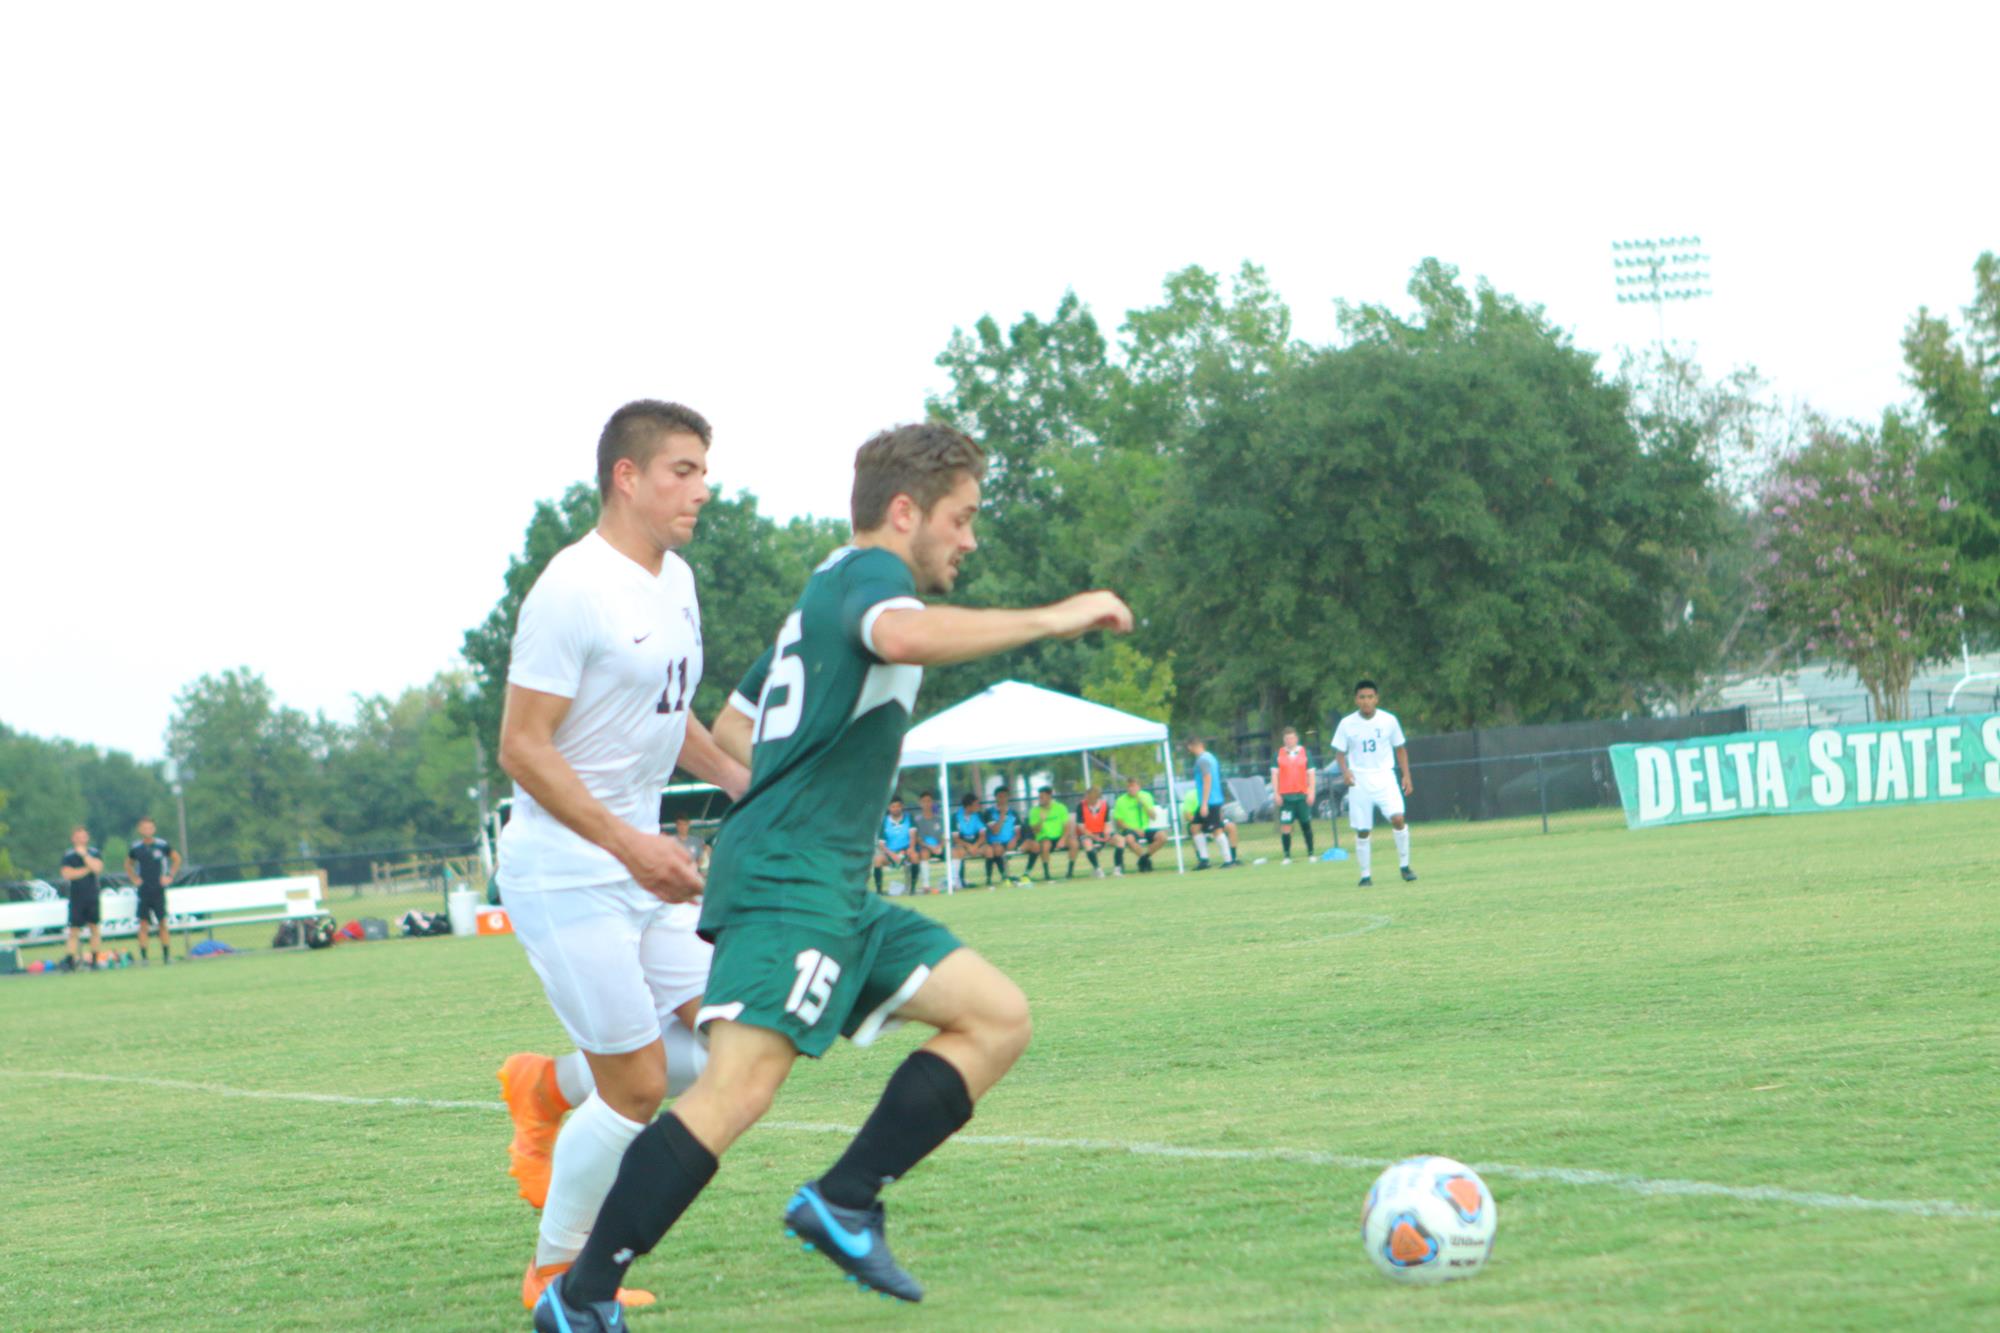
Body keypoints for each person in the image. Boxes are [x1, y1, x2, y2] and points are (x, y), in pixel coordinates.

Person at [536, 421, 1132, 1330]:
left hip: (825, 878)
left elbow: (735, 730)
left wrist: (809, 785)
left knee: (996, 1015)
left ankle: (845, 1198)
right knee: (734, 1090)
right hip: (789, 880)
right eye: (962, 518)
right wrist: (1055, 616)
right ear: (906, 512)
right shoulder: (869, 579)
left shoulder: (819, 591)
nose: (970, 539)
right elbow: (899, 637)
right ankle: (579, 1297)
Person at [491, 400, 752, 1314]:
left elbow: (666, 714)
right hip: (568, 871)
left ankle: (547, 1084)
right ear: (626, 477)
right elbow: (523, 746)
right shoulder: (570, 589)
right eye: (683, 470)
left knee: (735, 1034)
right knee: (638, 1083)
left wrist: (740, 781)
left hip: (642, 866)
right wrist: (633, 845)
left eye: (704, 470)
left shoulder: (675, 579)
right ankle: (555, 1273)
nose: (703, 489)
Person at [1332, 679, 1416, 887]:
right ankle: (1365, 875)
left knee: (1397, 817)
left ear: (1376, 698)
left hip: (1385, 776)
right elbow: (1340, 754)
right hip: (1360, 779)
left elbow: (1400, 749)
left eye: (1370, 697)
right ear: (1356, 700)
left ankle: (1405, 866)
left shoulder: (1389, 720)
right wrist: (1346, 772)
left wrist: (1406, 775)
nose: (1367, 701)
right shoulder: (1347, 723)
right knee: (1363, 828)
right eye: (1362, 697)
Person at [125, 816, 181, 963]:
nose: (147, 830)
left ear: (154, 829)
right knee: (143, 924)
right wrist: (135, 879)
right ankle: (144, 957)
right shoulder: (136, 848)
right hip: (144, 890)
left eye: (150, 827)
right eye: (144, 828)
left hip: (158, 889)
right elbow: (128, 864)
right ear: (140, 830)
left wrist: (169, 875)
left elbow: (176, 858)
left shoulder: (162, 845)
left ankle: (166, 955)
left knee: (162, 922)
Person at [1186, 737, 1239, 869]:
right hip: (1212, 800)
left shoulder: (1202, 760)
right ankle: (1204, 860)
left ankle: (1228, 860)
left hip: (1210, 801)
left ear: (1191, 746)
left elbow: (1207, 780)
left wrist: (1204, 803)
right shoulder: (1211, 757)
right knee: (1195, 827)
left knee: (1216, 830)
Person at [58, 826, 105, 971]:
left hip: (92, 895)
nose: (81, 839)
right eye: (78, 837)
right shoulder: (68, 855)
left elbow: (98, 868)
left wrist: (85, 856)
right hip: (76, 896)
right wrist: (86, 869)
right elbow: (67, 874)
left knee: (94, 928)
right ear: (73, 838)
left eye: (83, 836)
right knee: (74, 930)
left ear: (87, 838)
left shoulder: (94, 852)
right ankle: (71, 960)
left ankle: (95, 959)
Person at [1270, 726, 1318, 864]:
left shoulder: (1304, 752)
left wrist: (1311, 791)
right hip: (1286, 797)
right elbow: (1274, 775)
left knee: (1306, 824)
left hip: (1302, 795)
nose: (1289, 741)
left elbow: (1311, 774)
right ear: (1284, 740)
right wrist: (1276, 793)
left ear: (1296, 738)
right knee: (1286, 826)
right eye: (1286, 738)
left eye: (1291, 738)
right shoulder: (1278, 755)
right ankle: (1287, 856)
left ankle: (1311, 853)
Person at [1111, 776, 1165, 873]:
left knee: (1162, 837)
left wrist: (1143, 804)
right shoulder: (1121, 800)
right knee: (1129, 839)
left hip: (1145, 828)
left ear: (1139, 787)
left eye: (1133, 786)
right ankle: (1146, 861)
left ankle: (1144, 859)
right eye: (1129, 787)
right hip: (1130, 829)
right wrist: (1135, 830)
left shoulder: (1146, 796)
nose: (1131, 789)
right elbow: (1119, 822)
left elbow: (1153, 817)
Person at [1021, 786, 1070, 881]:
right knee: (1046, 844)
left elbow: (1066, 826)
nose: (1040, 799)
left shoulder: (1060, 807)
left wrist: (1063, 839)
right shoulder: (1035, 810)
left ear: (1049, 796)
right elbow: (1035, 831)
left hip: (1059, 837)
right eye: (1039, 797)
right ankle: (1047, 874)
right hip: (1044, 838)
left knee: (1074, 843)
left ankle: (1070, 873)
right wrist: (1041, 820)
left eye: (1042, 797)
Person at [982, 785, 1026, 887]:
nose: (1002, 799)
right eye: (1000, 796)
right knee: (997, 849)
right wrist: (1002, 816)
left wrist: (1014, 840)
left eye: (1005, 796)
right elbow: (995, 831)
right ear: (995, 798)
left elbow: (1017, 831)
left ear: (1008, 797)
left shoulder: (1013, 812)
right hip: (994, 842)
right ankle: (997, 877)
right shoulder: (989, 812)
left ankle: (1006, 876)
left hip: (1010, 842)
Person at [874, 796, 917, 895]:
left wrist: (911, 848)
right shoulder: (884, 821)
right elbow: (881, 844)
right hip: (890, 853)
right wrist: (892, 854)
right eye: (893, 806)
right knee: (877, 859)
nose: (895, 809)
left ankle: (912, 889)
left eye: (898, 806)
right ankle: (879, 891)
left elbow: (913, 835)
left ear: (902, 807)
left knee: (915, 856)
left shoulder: (909, 818)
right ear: (889, 808)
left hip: (905, 851)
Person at [1067, 784, 1111, 877]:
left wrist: (1107, 833)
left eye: (1089, 797)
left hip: (1100, 833)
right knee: (1087, 843)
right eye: (1086, 796)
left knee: (1119, 840)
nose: (1086, 799)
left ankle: (1118, 868)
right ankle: (1097, 869)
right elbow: (1082, 828)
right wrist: (1095, 837)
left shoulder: (1105, 805)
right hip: (1085, 834)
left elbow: (1107, 823)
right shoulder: (1080, 806)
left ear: (1096, 798)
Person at [950, 792, 988, 889]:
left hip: (976, 845)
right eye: (976, 804)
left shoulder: (978, 815)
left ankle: (989, 880)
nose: (978, 806)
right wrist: (968, 846)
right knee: (958, 851)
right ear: (969, 806)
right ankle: (956, 882)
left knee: (989, 850)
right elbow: (956, 838)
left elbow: (983, 835)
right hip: (962, 845)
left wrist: (975, 846)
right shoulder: (955, 817)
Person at [911, 791, 945, 892]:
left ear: (932, 802)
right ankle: (926, 886)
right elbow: (918, 840)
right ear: (920, 803)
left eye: (929, 801)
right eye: (924, 801)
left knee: (954, 852)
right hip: (926, 848)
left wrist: (940, 847)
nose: (927, 804)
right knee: (924, 853)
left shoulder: (940, 819)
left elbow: (944, 836)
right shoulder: (917, 820)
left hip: (939, 848)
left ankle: (955, 883)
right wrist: (931, 848)